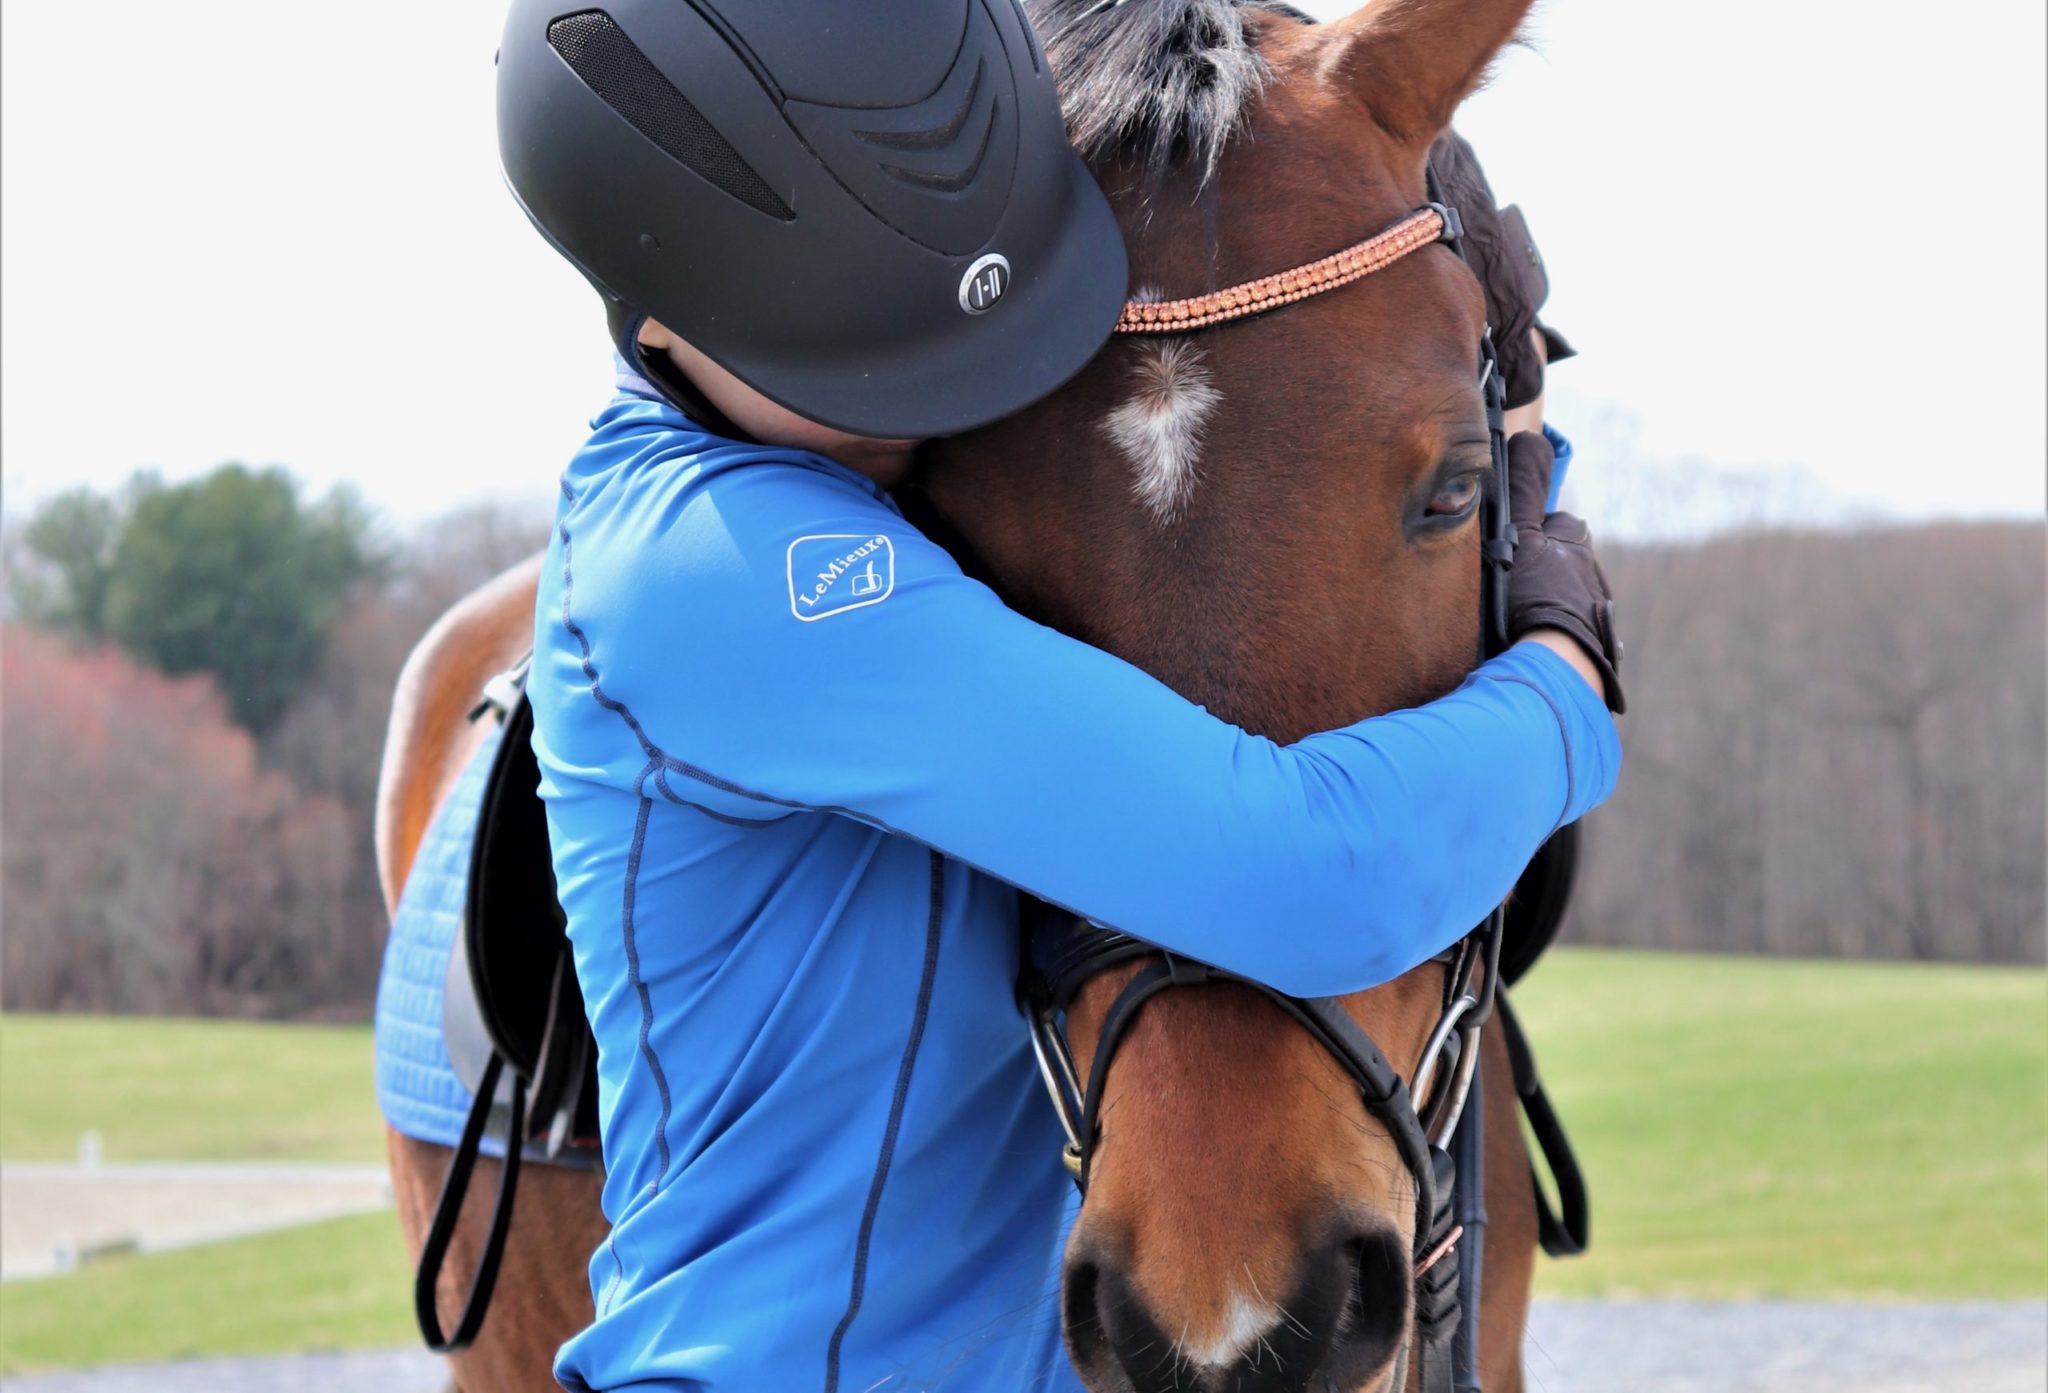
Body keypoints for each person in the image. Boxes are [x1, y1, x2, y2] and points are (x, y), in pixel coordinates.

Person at [495, 2, 1623, 1389]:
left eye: (926, 273)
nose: (941, 368)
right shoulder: (722, 570)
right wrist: (1567, 669)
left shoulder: (841, 464)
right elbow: (1308, 874)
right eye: (839, 328)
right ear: (654, 312)